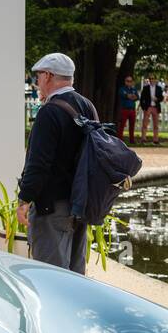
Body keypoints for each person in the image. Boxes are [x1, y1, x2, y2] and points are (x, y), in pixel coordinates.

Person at [16, 52, 97, 274]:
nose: (37, 82)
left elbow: (38, 164)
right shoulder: (87, 106)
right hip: (80, 203)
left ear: (49, 76)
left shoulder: (49, 112)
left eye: (39, 76)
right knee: (75, 277)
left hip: (51, 207)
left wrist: (24, 199)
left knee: (49, 278)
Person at [139, 75, 163, 144]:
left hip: (155, 107)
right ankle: (143, 139)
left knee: (156, 125)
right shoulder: (145, 88)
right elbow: (142, 98)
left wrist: (157, 99)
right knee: (145, 124)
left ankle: (156, 140)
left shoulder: (159, 88)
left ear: (155, 80)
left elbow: (161, 98)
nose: (152, 80)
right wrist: (144, 108)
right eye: (150, 79)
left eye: (153, 79)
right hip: (148, 107)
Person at [116, 74, 138, 142]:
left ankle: (132, 140)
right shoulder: (122, 89)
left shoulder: (134, 89)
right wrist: (130, 96)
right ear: (125, 82)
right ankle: (120, 140)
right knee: (122, 125)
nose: (129, 82)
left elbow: (137, 97)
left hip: (132, 109)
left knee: (132, 126)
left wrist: (130, 96)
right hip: (125, 109)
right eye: (127, 81)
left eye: (130, 81)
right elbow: (125, 95)